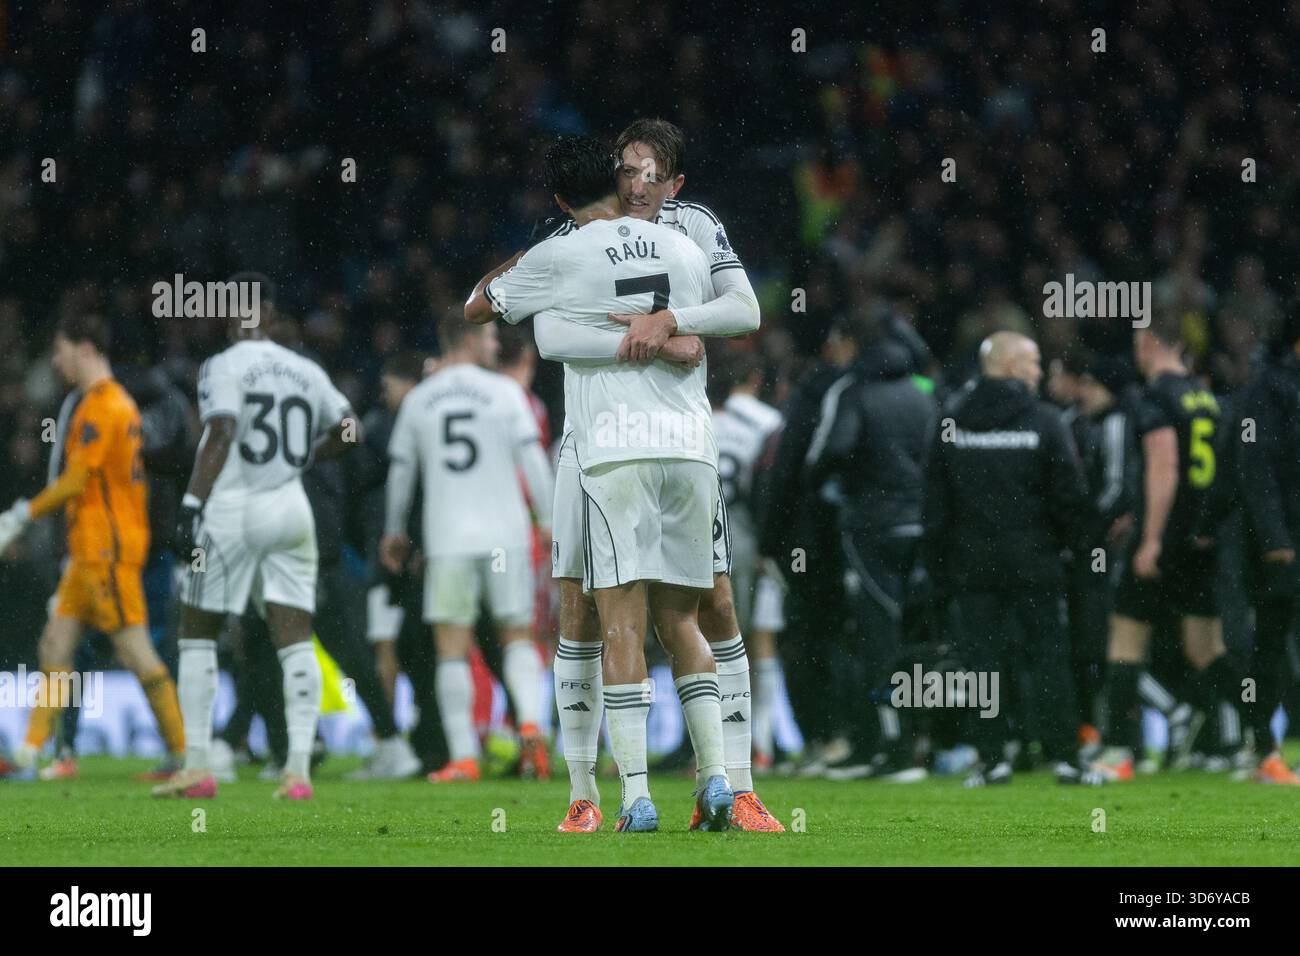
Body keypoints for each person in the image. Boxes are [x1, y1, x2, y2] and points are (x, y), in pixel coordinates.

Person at [467, 135, 759, 832]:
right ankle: (717, 779)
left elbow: (488, 311)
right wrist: (669, 333)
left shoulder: (562, 253)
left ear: (563, 200)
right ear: (621, 182)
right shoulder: (685, 245)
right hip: (689, 448)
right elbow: (733, 315)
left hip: (610, 452)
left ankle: (630, 796)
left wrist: (546, 251)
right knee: (685, 617)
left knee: (611, 618)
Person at [152, 303, 360, 801]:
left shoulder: (224, 365)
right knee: (294, 639)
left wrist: (189, 503)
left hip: (233, 509)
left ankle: (198, 767)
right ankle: (298, 774)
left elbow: (221, 431)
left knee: (197, 632)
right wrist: (309, 453)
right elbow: (352, 429)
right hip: (291, 508)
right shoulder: (305, 368)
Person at [0, 315, 186, 779]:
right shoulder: (91, 403)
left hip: (107, 551)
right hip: (87, 552)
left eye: (61, 351)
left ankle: (186, 756)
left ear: (85, 348)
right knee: (54, 643)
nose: (57, 361)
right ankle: (29, 752)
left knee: (136, 652)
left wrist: (22, 514)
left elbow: (78, 479)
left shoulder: (107, 406)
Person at [380, 320, 554, 783]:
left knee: (451, 648)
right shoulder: (503, 393)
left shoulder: (421, 399)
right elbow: (532, 459)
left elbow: (401, 472)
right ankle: (532, 729)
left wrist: (394, 529)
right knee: (517, 636)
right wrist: (551, 519)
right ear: (471, 339)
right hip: (507, 536)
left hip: (448, 538)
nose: (496, 345)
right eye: (492, 337)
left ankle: (463, 758)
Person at [922, 331, 1093, 786]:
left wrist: (939, 568)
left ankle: (993, 760)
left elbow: (935, 505)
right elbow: (1070, 497)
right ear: (1014, 366)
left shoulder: (951, 421)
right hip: (1036, 561)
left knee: (982, 664)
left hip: (972, 564)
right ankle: (1066, 759)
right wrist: (1075, 550)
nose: (1040, 371)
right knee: (1050, 657)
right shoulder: (1045, 421)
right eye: (1035, 362)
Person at [1093, 307, 1244, 782]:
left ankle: (1118, 752)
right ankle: (1252, 741)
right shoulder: (1206, 397)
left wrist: (1151, 536)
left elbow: (1164, 467)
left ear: (1152, 343)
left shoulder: (1152, 396)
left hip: (1165, 538)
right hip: (1202, 539)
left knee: (1125, 640)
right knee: (1206, 648)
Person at [805, 308, 937, 780]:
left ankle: (891, 749)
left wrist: (830, 486)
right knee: (918, 635)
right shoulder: (922, 393)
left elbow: (830, 451)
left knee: (876, 635)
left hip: (871, 527)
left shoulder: (854, 391)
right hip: (922, 527)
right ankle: (921, 741)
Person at [707, 348, 788, 775]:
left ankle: (709, 749)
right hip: (754, 546)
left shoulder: (701, 420)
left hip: (704, 547)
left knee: (707, 645)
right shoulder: (769, 423)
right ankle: (762, 744)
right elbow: (777, 486)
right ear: (756, 378)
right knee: (759, 642)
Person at [1235, 311, 1300, 783]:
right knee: (1271, 643)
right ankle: (1263, 747)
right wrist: (1275, 539)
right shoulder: (1269, 391)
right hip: (1281, 544)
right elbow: (1254, 470)